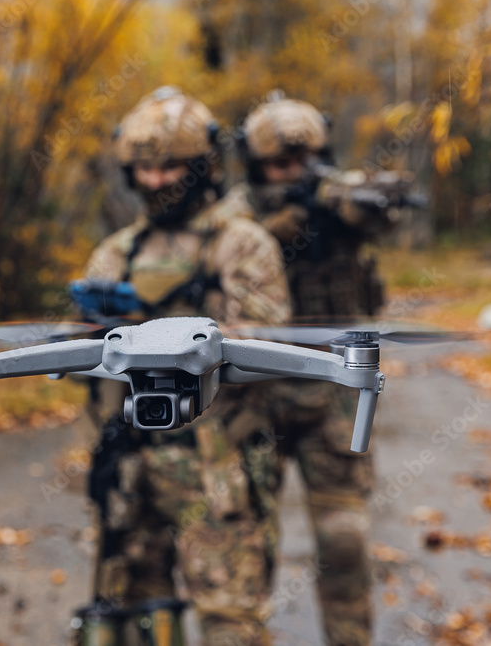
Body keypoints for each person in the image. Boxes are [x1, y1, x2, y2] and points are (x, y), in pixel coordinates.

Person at [80, 86, 292, 645]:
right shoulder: (116, 253)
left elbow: (268, 346)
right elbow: (88, 362)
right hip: (131, 467)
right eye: (144, 169)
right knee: (136, 621)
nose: (156, 181)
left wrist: (182, 338)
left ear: (203, 166)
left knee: (232, 625)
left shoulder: (241, 245)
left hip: (218, 468)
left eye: (170, 166)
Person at [235, 92, 396, 646]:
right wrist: (280, 226)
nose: (295, 173)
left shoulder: (338, 198)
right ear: (256, 165)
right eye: (281, 164)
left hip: (332, 392)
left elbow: (373, 208)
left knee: (343, 540)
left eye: (306, 161)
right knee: (245, 544)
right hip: (254, 392)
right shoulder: (236, 216)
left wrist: (343, 200)